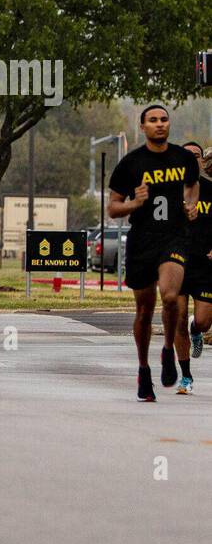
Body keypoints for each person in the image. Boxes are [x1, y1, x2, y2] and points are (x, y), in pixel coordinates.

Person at [108, 104, 200, 401]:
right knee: (145, 311)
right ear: (143, 126)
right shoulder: (131, 164)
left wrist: (190, 203)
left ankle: (168, 351)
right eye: (153, 120)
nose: (160, 124)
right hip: (142, 240)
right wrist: (134, 204)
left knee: (171, 297)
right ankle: (144, 369)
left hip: (174, 236)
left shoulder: (184, 158)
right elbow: (113, 208)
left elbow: (193, 184)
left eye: (164, 119)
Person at [171, 141, 212, 393]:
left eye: (195, 155)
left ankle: (196, 332)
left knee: (205, 320)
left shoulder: (210, 190)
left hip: (205, 266)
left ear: (201, 161)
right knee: (178, 318)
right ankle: (185, 376)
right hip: (176, 264)